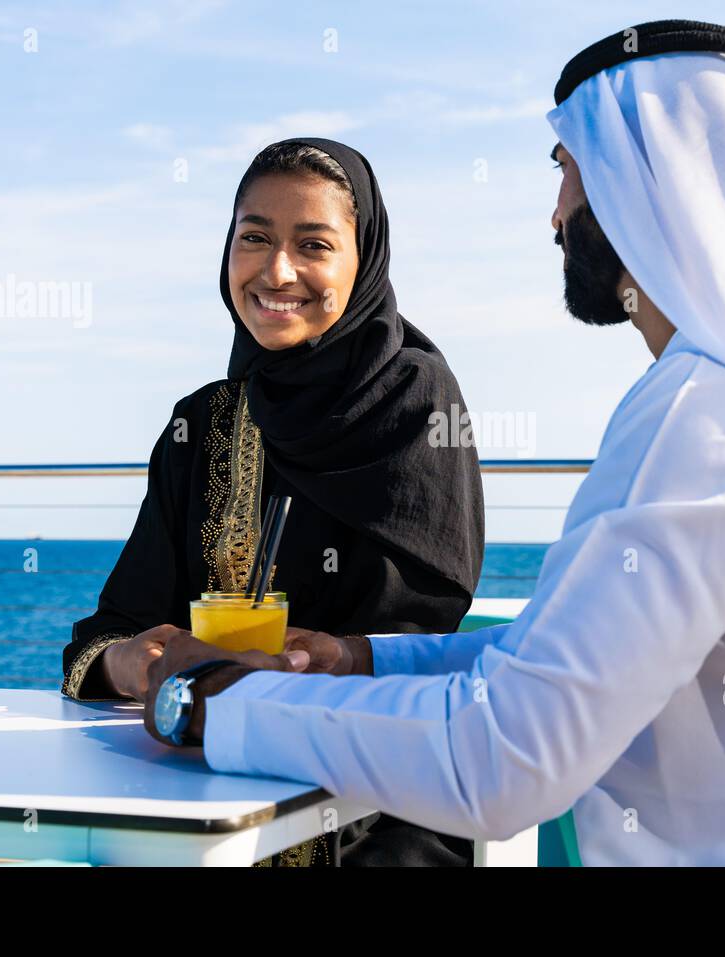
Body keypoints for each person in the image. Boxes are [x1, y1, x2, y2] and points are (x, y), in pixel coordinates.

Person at [141, 22, 725, 866]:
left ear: (646, 185)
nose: (552, 215)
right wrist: (358, 660)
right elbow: (543, 660)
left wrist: (211, 706)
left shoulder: (713, 411)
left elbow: (505, 761)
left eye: (567, 173)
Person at [62, 137, 485, 866]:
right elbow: (106, 633)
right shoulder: (203, 424)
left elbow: (415, 649)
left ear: (365, 261)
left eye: (313, 244)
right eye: (253, 238)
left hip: (370, 809)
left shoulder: (414, 404)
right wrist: (132, 664)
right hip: (195, 791)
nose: (276, 270)